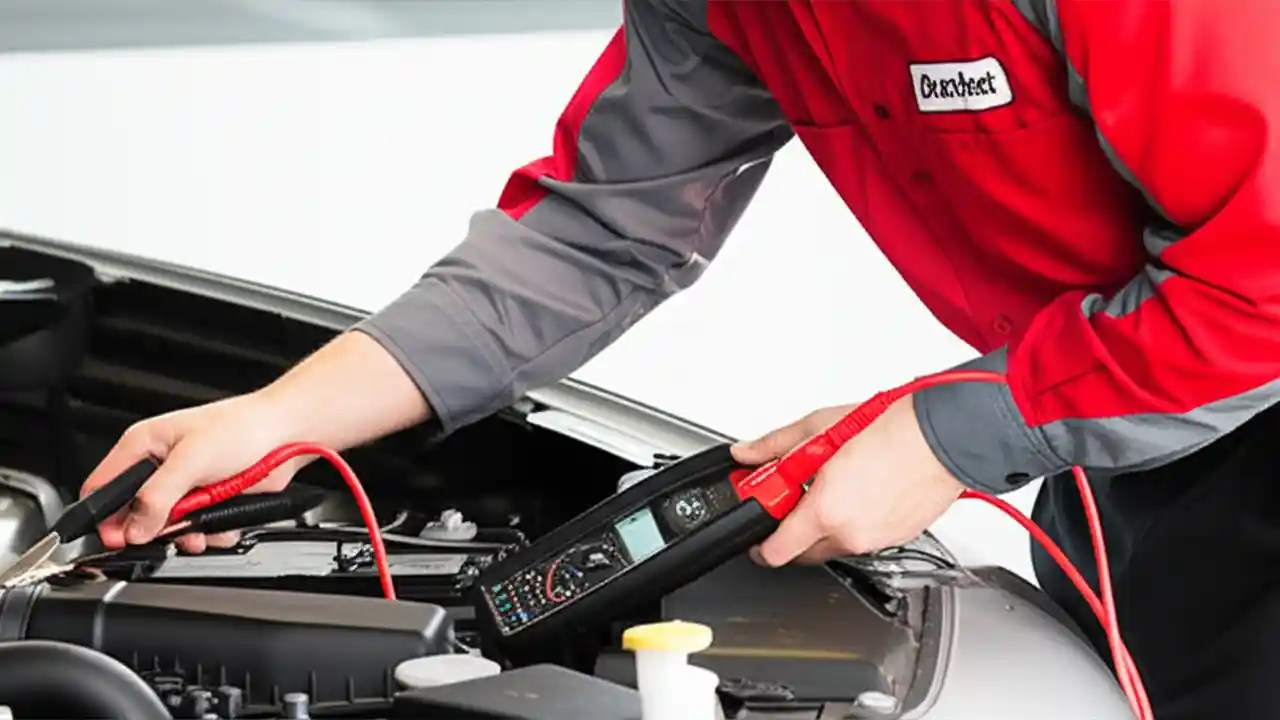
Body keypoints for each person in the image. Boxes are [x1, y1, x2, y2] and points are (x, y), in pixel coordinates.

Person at [81, 2, 1277, 717]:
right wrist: (280, 416)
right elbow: (600, 230)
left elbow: (1260, 281)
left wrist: (936, 432)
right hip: (1129, 418)